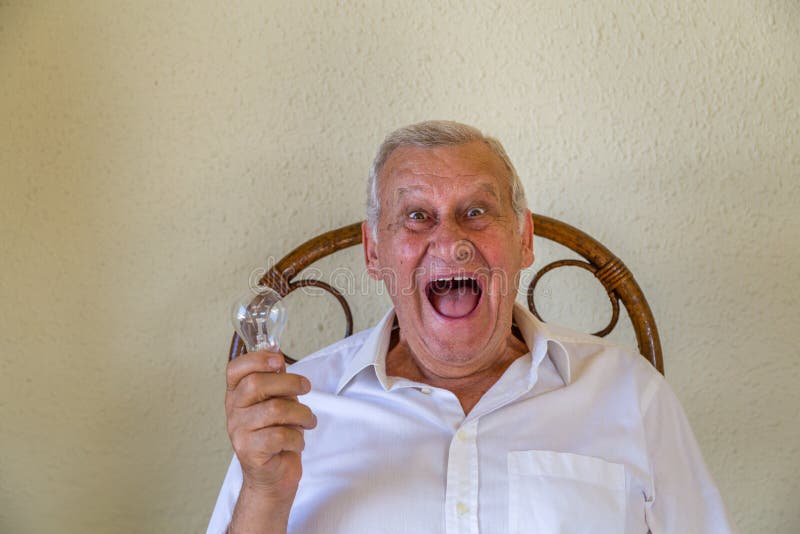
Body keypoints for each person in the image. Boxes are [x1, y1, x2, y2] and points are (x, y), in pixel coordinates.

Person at [208, 121, 736, 533]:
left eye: (477, 210)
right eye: (416, 216)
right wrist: (264, 493)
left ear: (524, 239)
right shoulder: (296, 413)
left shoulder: (629, 393)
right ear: (375, 251)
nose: (451, 241)